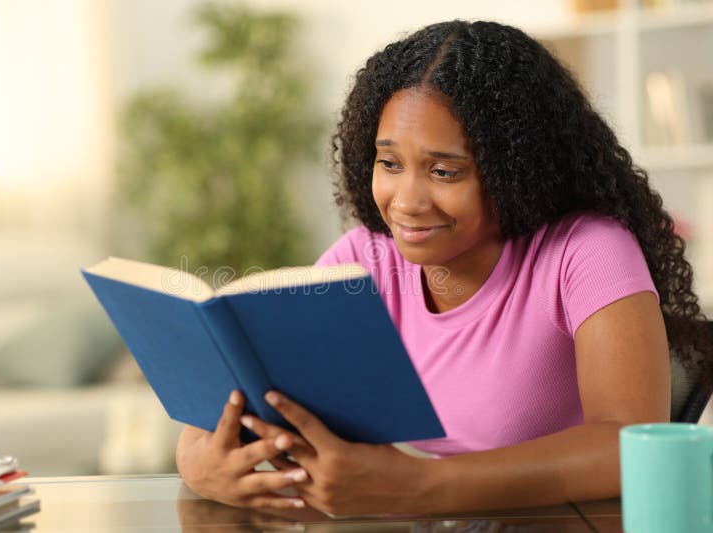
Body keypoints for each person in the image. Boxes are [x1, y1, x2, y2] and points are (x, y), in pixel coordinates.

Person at [175, 20, 712, 515]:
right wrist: (198, 461)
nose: (407, 200)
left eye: (443, 171)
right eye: (389, 163)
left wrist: (417, 486)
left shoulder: (587, 251)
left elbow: (627, 443)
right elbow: (245, 396)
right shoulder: (365, 259)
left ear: (516, 171)